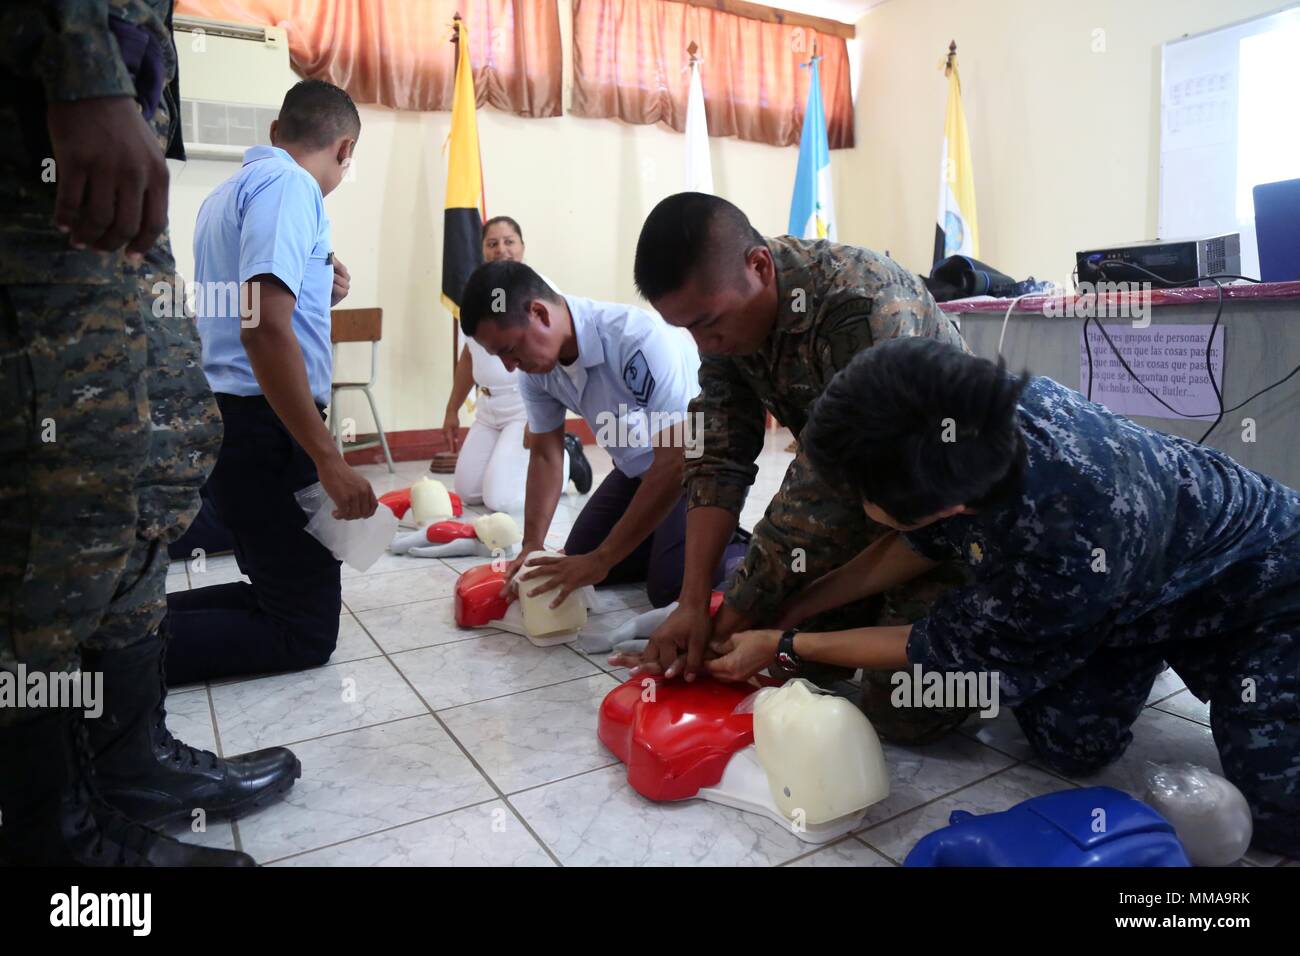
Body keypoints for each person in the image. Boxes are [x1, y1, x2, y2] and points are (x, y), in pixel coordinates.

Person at [718, 336, 1300, 856]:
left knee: (1279, 818)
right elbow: (914, 544)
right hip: (1128, 586)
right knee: (1072, 747)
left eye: (859, 495)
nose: (851, 501)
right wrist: (799, 604)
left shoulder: (1065, 539)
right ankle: (1122, 634)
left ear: (950, 504)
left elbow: (932, 644)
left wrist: (786, 640)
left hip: (1263, 591)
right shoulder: (963, 424)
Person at [0, 0, 296, 866]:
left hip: (115, 171)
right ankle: (51, 838)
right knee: (60, 493)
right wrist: (82, 70)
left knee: (158, 459)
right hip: (34, 157)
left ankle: (130, 762)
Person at [621, 192, 972, 743]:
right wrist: (692, 606)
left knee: (905, 709)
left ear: (758, 266)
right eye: (685, 328)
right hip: (862, 507)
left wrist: (731, 614)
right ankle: (867, 610)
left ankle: (1026, 639)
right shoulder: (725, 322)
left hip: (944, 518)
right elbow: (718, 454)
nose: (703, 343)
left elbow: (820, 493)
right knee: (801, 666)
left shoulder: (862, 305)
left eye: (706, 324)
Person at [163, 80, 378, 685]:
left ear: (275, 132)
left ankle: (123, 631)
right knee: (302, 631)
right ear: (344, 148)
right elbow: (261, 330)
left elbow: (250, 312)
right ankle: (112, 661)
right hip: (270, 424)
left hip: (239, 417)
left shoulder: (226, 193)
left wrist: (317, 286)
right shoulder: (290, 187)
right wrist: (328, 457)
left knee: (280, 595)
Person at [459, 260, 739, 608]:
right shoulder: (535, 372)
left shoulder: (634, 338)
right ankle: (667, 539)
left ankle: (741, 547)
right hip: (639, 468)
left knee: (670, 588)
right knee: (575, 558)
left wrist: (604, 558)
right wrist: (532, 544)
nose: (508, 366)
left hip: (699, 466)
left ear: (539, 314)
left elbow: (677, 457)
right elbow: (546, 454)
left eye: (508, 350)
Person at [442, 215, 590, 513]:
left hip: (524, 403)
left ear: (522, 246)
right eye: (492, 243)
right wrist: (451, 409)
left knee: (501, 500)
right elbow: (469, 356)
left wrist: (541, 417)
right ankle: (519, 463)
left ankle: (565, 460)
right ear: (482, 249)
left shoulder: (537, 287)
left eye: (509, 241)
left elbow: (559, 348)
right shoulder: (476, 294)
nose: (501, 249)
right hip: (488, 409)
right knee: (468, 491)